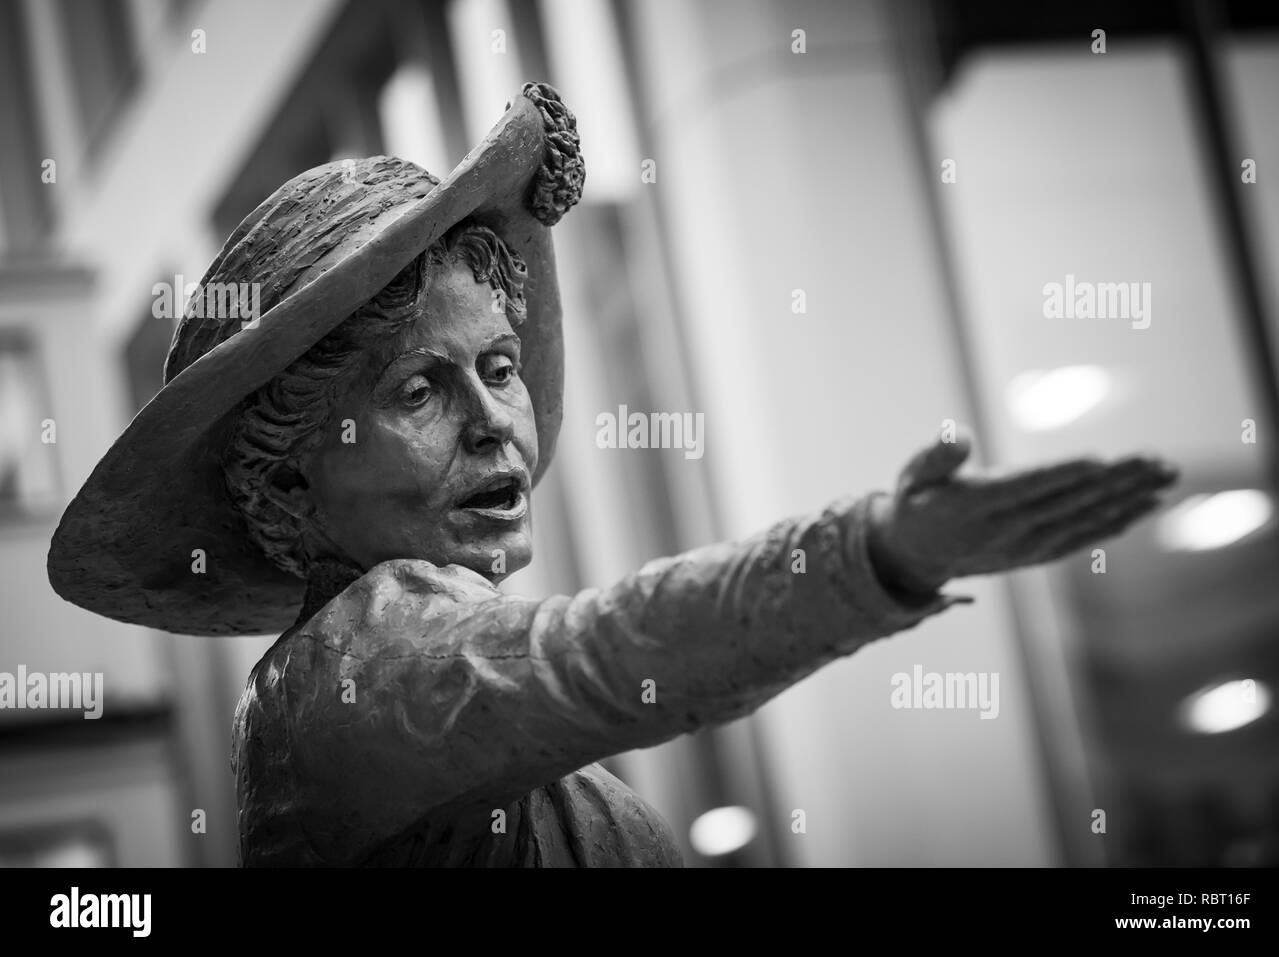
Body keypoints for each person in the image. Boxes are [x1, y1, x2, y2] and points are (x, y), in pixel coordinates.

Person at [48, 84, 1176, 867]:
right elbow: (605, 654)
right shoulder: (352, 669)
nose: (498, 422)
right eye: (419, 393)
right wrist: (868, 556)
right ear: (287, 491)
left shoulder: (403, 679)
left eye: (499, 368)